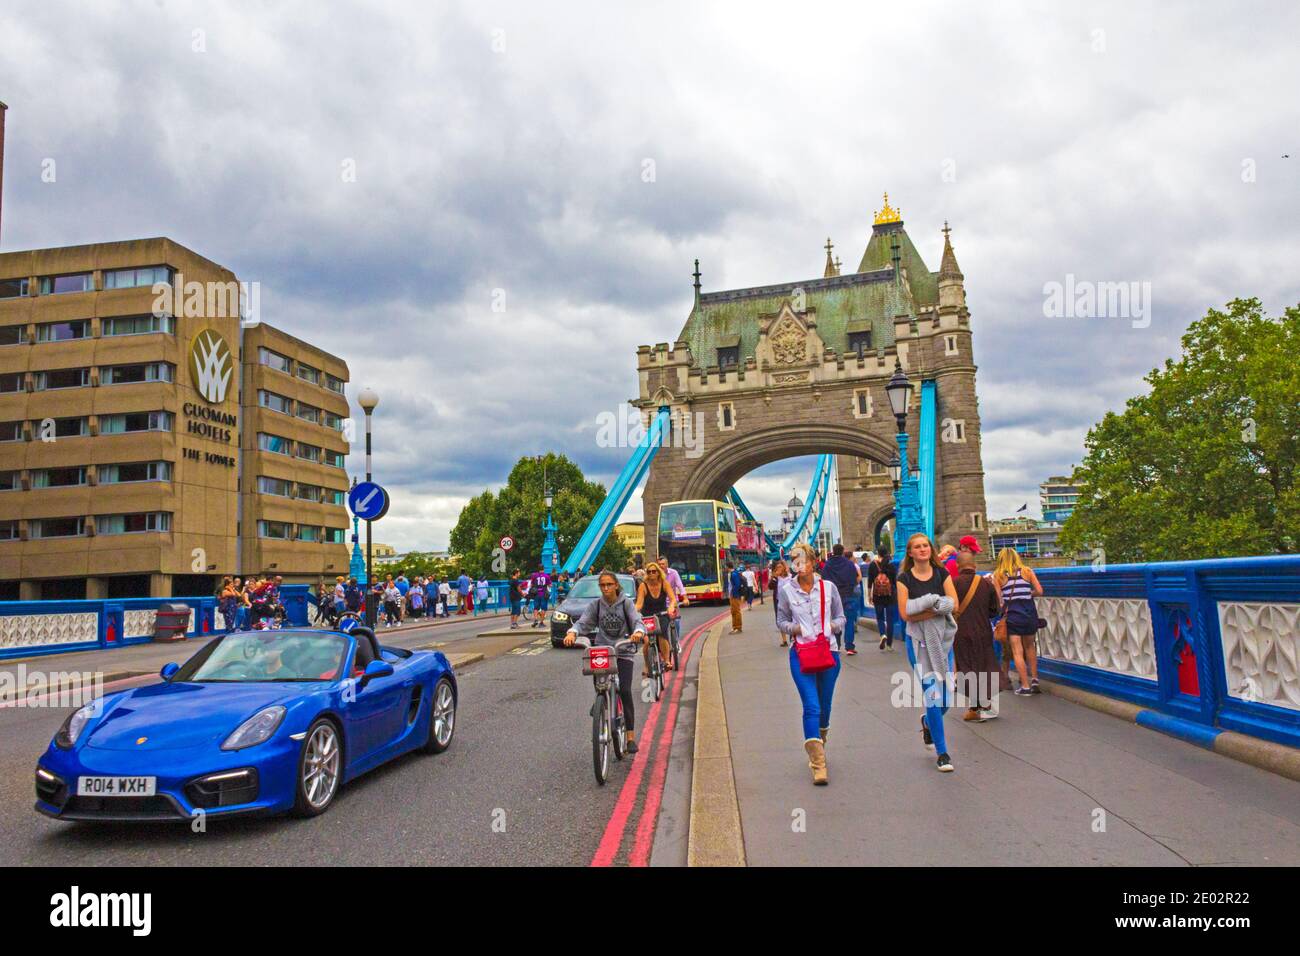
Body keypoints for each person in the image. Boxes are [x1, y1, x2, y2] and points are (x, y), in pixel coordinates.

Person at [776, 542, 846, 786]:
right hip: (801, 654)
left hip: (829, 653)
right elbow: (781, 621)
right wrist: (797, 629)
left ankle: (819, 742)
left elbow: (841, 617)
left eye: (804, 559)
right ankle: (818, 764)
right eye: (795, 560)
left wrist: (829, 628)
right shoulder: (786, 590)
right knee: (812, 706)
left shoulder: (829, 588)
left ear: (813, 561)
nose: (800, 564)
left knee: (824, 709)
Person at [563, 571, 648, 753]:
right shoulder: (596, 605)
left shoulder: (626, 603)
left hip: (623, 650)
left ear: (616, 585)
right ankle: (601, 700)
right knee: (600, 685)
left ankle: (630, 738)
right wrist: (573, 632)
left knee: (624, 690)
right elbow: (583, 622)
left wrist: (639, 632)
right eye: (603, 585)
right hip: (604, 651)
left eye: (609, 584)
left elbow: (637, 621)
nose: (606, 588)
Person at [896, 532, 960, 772]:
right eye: (917, 547)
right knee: (933, 697)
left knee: (945, 701)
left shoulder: (943, 574)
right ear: (910, 553)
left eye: (926, 546)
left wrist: (923, 608)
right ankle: (943, 753)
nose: (922, 549)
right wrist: (936, 608)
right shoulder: (904, 579)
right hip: (919, 643)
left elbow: (955, 603)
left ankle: (927, 723)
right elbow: (905, 614)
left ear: (930, 550)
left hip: (943, 643)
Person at [952, 551, 1001, 721]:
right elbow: (994, 610)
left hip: (961, 632)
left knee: (967, 668)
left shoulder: (952, 584)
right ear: (975, 566)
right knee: (984, 665)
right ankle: (986, 704)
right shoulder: (986, 584)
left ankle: (974, 707)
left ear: (958, 566)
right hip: (983, 631)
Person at [993, 548, 1044, 696]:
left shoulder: (998, 575)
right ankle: (1035, 680)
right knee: (1030, 647)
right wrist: (1028, 594)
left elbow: (999, 600)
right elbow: (1040, 591)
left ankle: (1025, 686)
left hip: (1013, 616)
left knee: (1017, 651)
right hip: (1029, 613)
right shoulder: (1027, 571)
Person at [635, 561, 677, 673]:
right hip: (647, 616)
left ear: (658, 573)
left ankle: (667, 661)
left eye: (654, 571)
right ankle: (647, 664)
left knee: (661, 634)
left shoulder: (664, 583)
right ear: (647, 573)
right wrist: (633, 613)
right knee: (647, 641)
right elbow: (639, 604)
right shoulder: (643, 586)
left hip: (662, 614)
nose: (652, 573)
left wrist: (671, 607)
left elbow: (673, 599)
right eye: (649, 572)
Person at [821, 543, 862, 656]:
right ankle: (849, 646)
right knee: (849, 621)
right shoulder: (849, 564)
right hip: (848, 595)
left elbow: (824, 580)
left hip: (834, 597)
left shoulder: (827, 565)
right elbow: (854, 579)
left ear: (833, 551)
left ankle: (837, 645)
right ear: (843, 551)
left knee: (836, 621)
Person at [867, 548, 899, 650]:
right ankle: (889, 645)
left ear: (878, 554)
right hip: (890, 595)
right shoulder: (892, 565)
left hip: (878, 595)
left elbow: (870, 582)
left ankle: (882, 634)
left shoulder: (873, 565)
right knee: (890, 620)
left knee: (880, 618)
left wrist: (869, 595)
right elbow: (894, 582)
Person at [658, 557, 687, 647]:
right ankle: (664, 645)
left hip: (672, 602)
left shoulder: (673, 573)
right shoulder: (656, 574)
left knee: (676, 622)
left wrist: (685, 598)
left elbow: (680, 586)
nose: (661, 566)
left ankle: (676, 641)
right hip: (660, 604)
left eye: (663, 564)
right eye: (659, 564)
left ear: (667, 564)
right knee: (662, 626)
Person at [769, 559, 791, 644]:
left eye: (780, 567)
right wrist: (774, 577)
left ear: (784, 567)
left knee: (791, 618)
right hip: (779, 601)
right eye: (777, 567)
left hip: (789, 601)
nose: (778, 569)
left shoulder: (790, 577)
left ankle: (792, 637)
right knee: (781, 619)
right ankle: (784, 640)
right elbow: (770, 587)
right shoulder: (775, 578)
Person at [726, 563, 745, 633]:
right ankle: (734, 627)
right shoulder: (732, 574)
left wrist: (733, 593)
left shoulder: (734, 574)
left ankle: (738, 627)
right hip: (732, 595)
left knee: (736, 611)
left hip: (735, 595)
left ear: (728, 567)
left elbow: (737, 585)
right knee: (733, 611)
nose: (725, 569)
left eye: (726, 567)